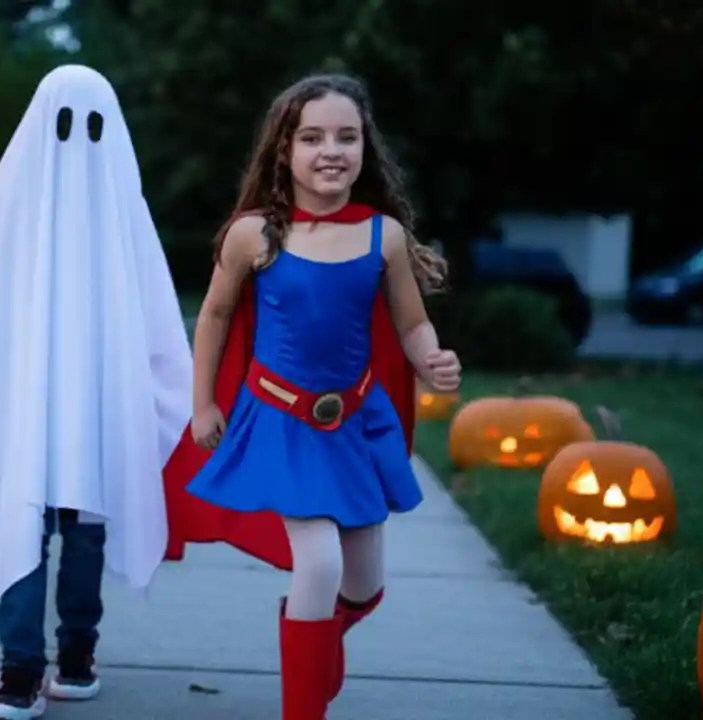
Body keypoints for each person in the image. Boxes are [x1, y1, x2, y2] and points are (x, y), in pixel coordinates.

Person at [161, 72, 461, 720]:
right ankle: (303, 704)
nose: (332, 150)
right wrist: (204, 403)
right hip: (280, 419)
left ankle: (313, 633)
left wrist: (430, 358)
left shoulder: (383, 235)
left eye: (347, 137)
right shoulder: (254, 235)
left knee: (364, 586)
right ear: (284, 151)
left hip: (355, 424)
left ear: (365, 149)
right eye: (313, 137)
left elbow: (410, 323)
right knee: (318, 566)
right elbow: (214, 317)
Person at [0, 64, 193, 720]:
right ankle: (18, 666)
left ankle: (78, 651)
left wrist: (156, 393)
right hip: (24, 407)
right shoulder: (7, 221)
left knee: (85, 532)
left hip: (95, 409)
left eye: (95, 126)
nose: (81, 144)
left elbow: (156, 316)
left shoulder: (124, 222)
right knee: (21, 519)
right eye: (66, 126)